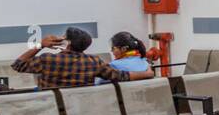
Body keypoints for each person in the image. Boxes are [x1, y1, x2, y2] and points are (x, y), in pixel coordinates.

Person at [72, 31, 151, 115]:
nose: (112, 51)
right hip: (140, 108)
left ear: (123, 49)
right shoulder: (144, 63)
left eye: (113, 48)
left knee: (90, 105)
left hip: (111, 111)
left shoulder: (115, 66)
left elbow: (96, 84)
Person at [12, 27, 149, 90]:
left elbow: (17, 65)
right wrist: (147, 73)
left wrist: (40, 44)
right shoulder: (94, 62)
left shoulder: (47, 60)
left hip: (49, 111)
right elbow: (121, 76)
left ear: (68, 43)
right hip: (81, 114)